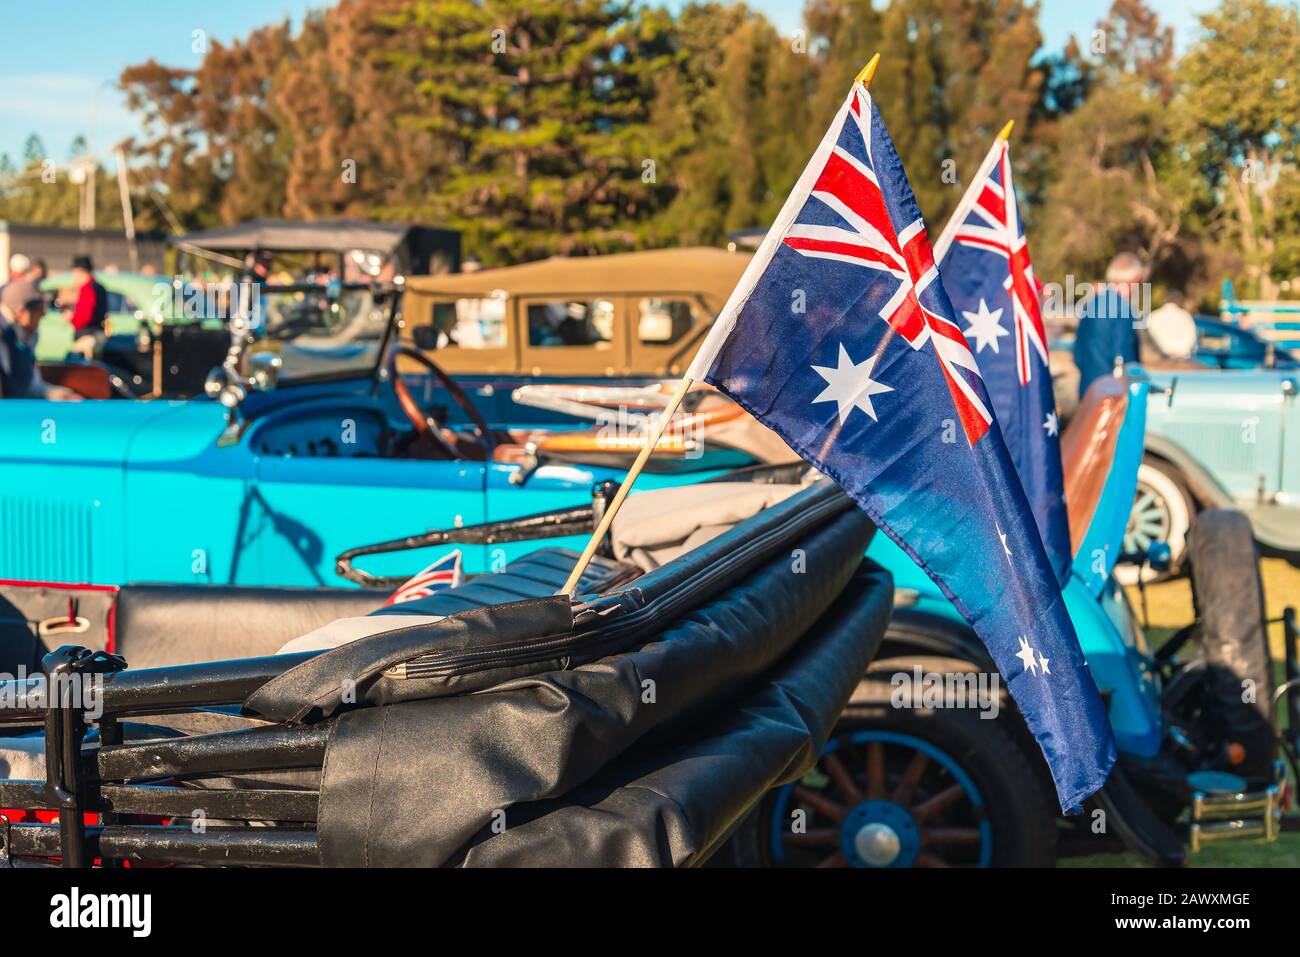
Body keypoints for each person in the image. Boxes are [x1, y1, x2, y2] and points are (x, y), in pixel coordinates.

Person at [1073, 252, 1145, 398]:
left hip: (1088, 389)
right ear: (1135, 280)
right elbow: (1124, 358)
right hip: (1112, 394)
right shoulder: (1122, 308)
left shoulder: (1091, 304)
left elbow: (1077, 353)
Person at [0, 281, 79, 400]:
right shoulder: (6, 340)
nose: (43, 315)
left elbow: (30, 385)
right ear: (22, 313)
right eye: (39, 310)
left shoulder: (24, 339)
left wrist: (53, 393)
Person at [68, 255, 108, 359]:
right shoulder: (99, 287)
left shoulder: (87, 289)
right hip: (97, 333)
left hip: (87, 335)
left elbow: (84, 316)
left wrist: (71, 318)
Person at [1145, 291, 1198, 360]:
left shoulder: (1154, 316)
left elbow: (1149, 337)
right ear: (1179, 301)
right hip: (1182, 359)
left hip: (1159, 360)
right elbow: (1191, 337)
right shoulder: (1186, 316)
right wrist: (1180, 351)